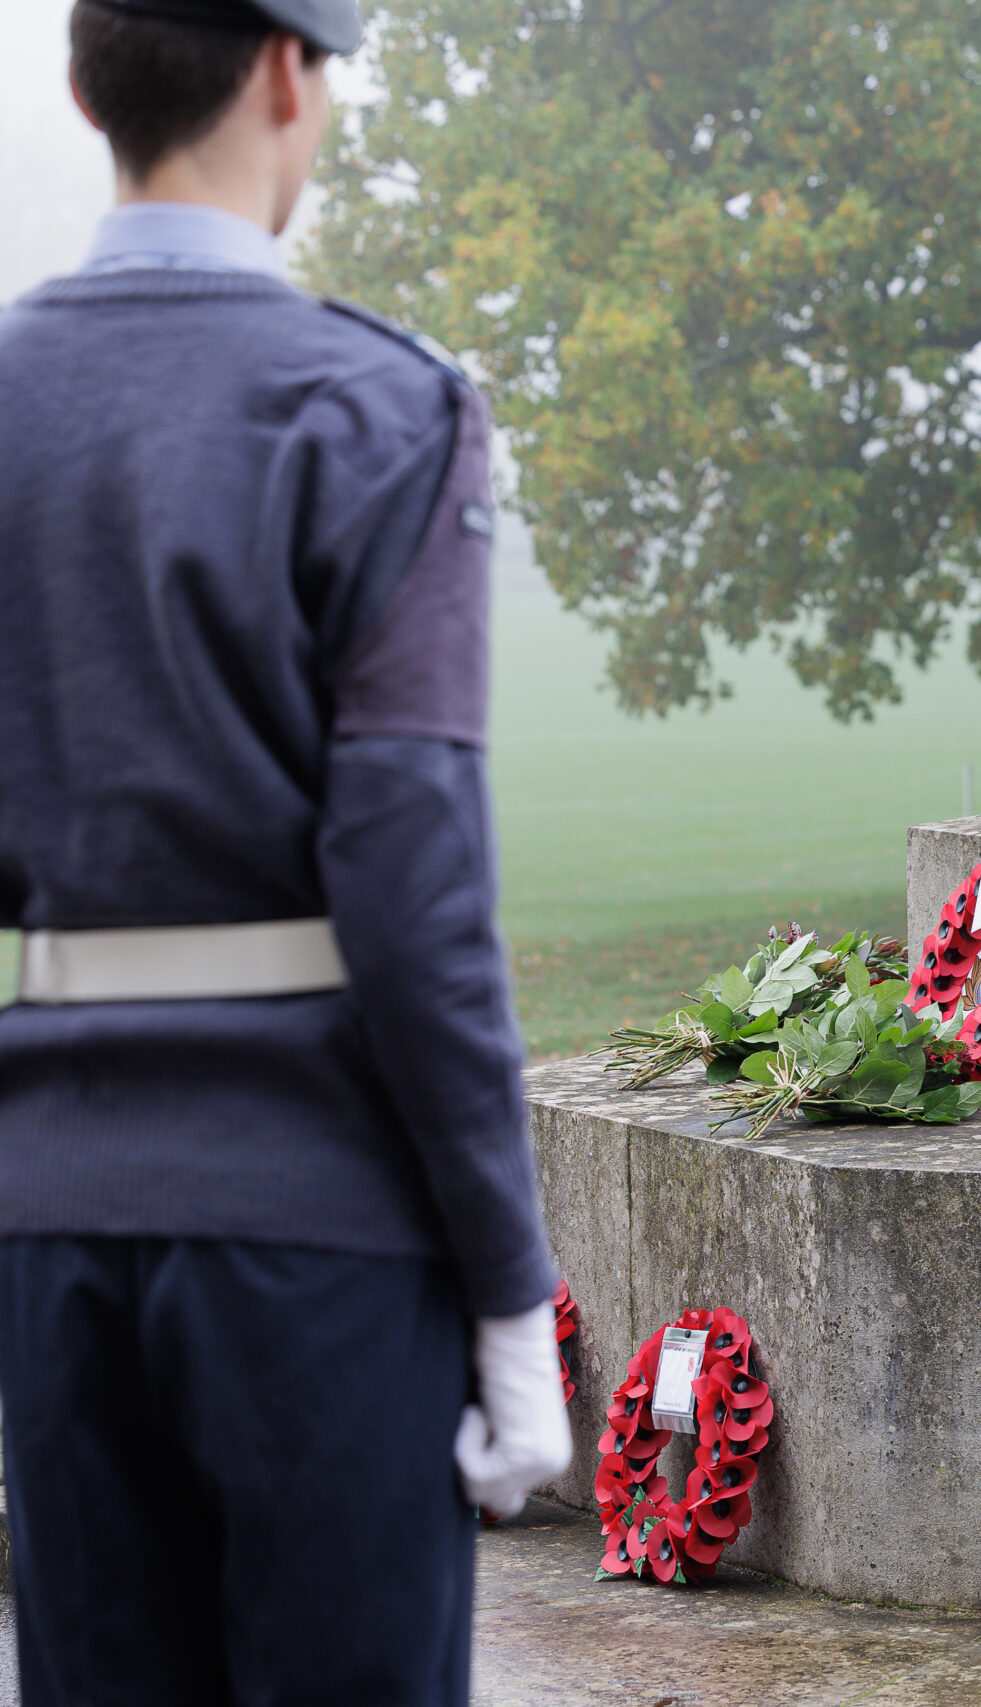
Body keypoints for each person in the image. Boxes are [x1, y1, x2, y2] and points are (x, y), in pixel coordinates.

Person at [0, 0, 570, 1699]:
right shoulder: (373, 410)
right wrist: (511, 1283)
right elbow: (414, 895)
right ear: (281, 73)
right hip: (319, 1226)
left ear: (87, 84)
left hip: (50, 1221)